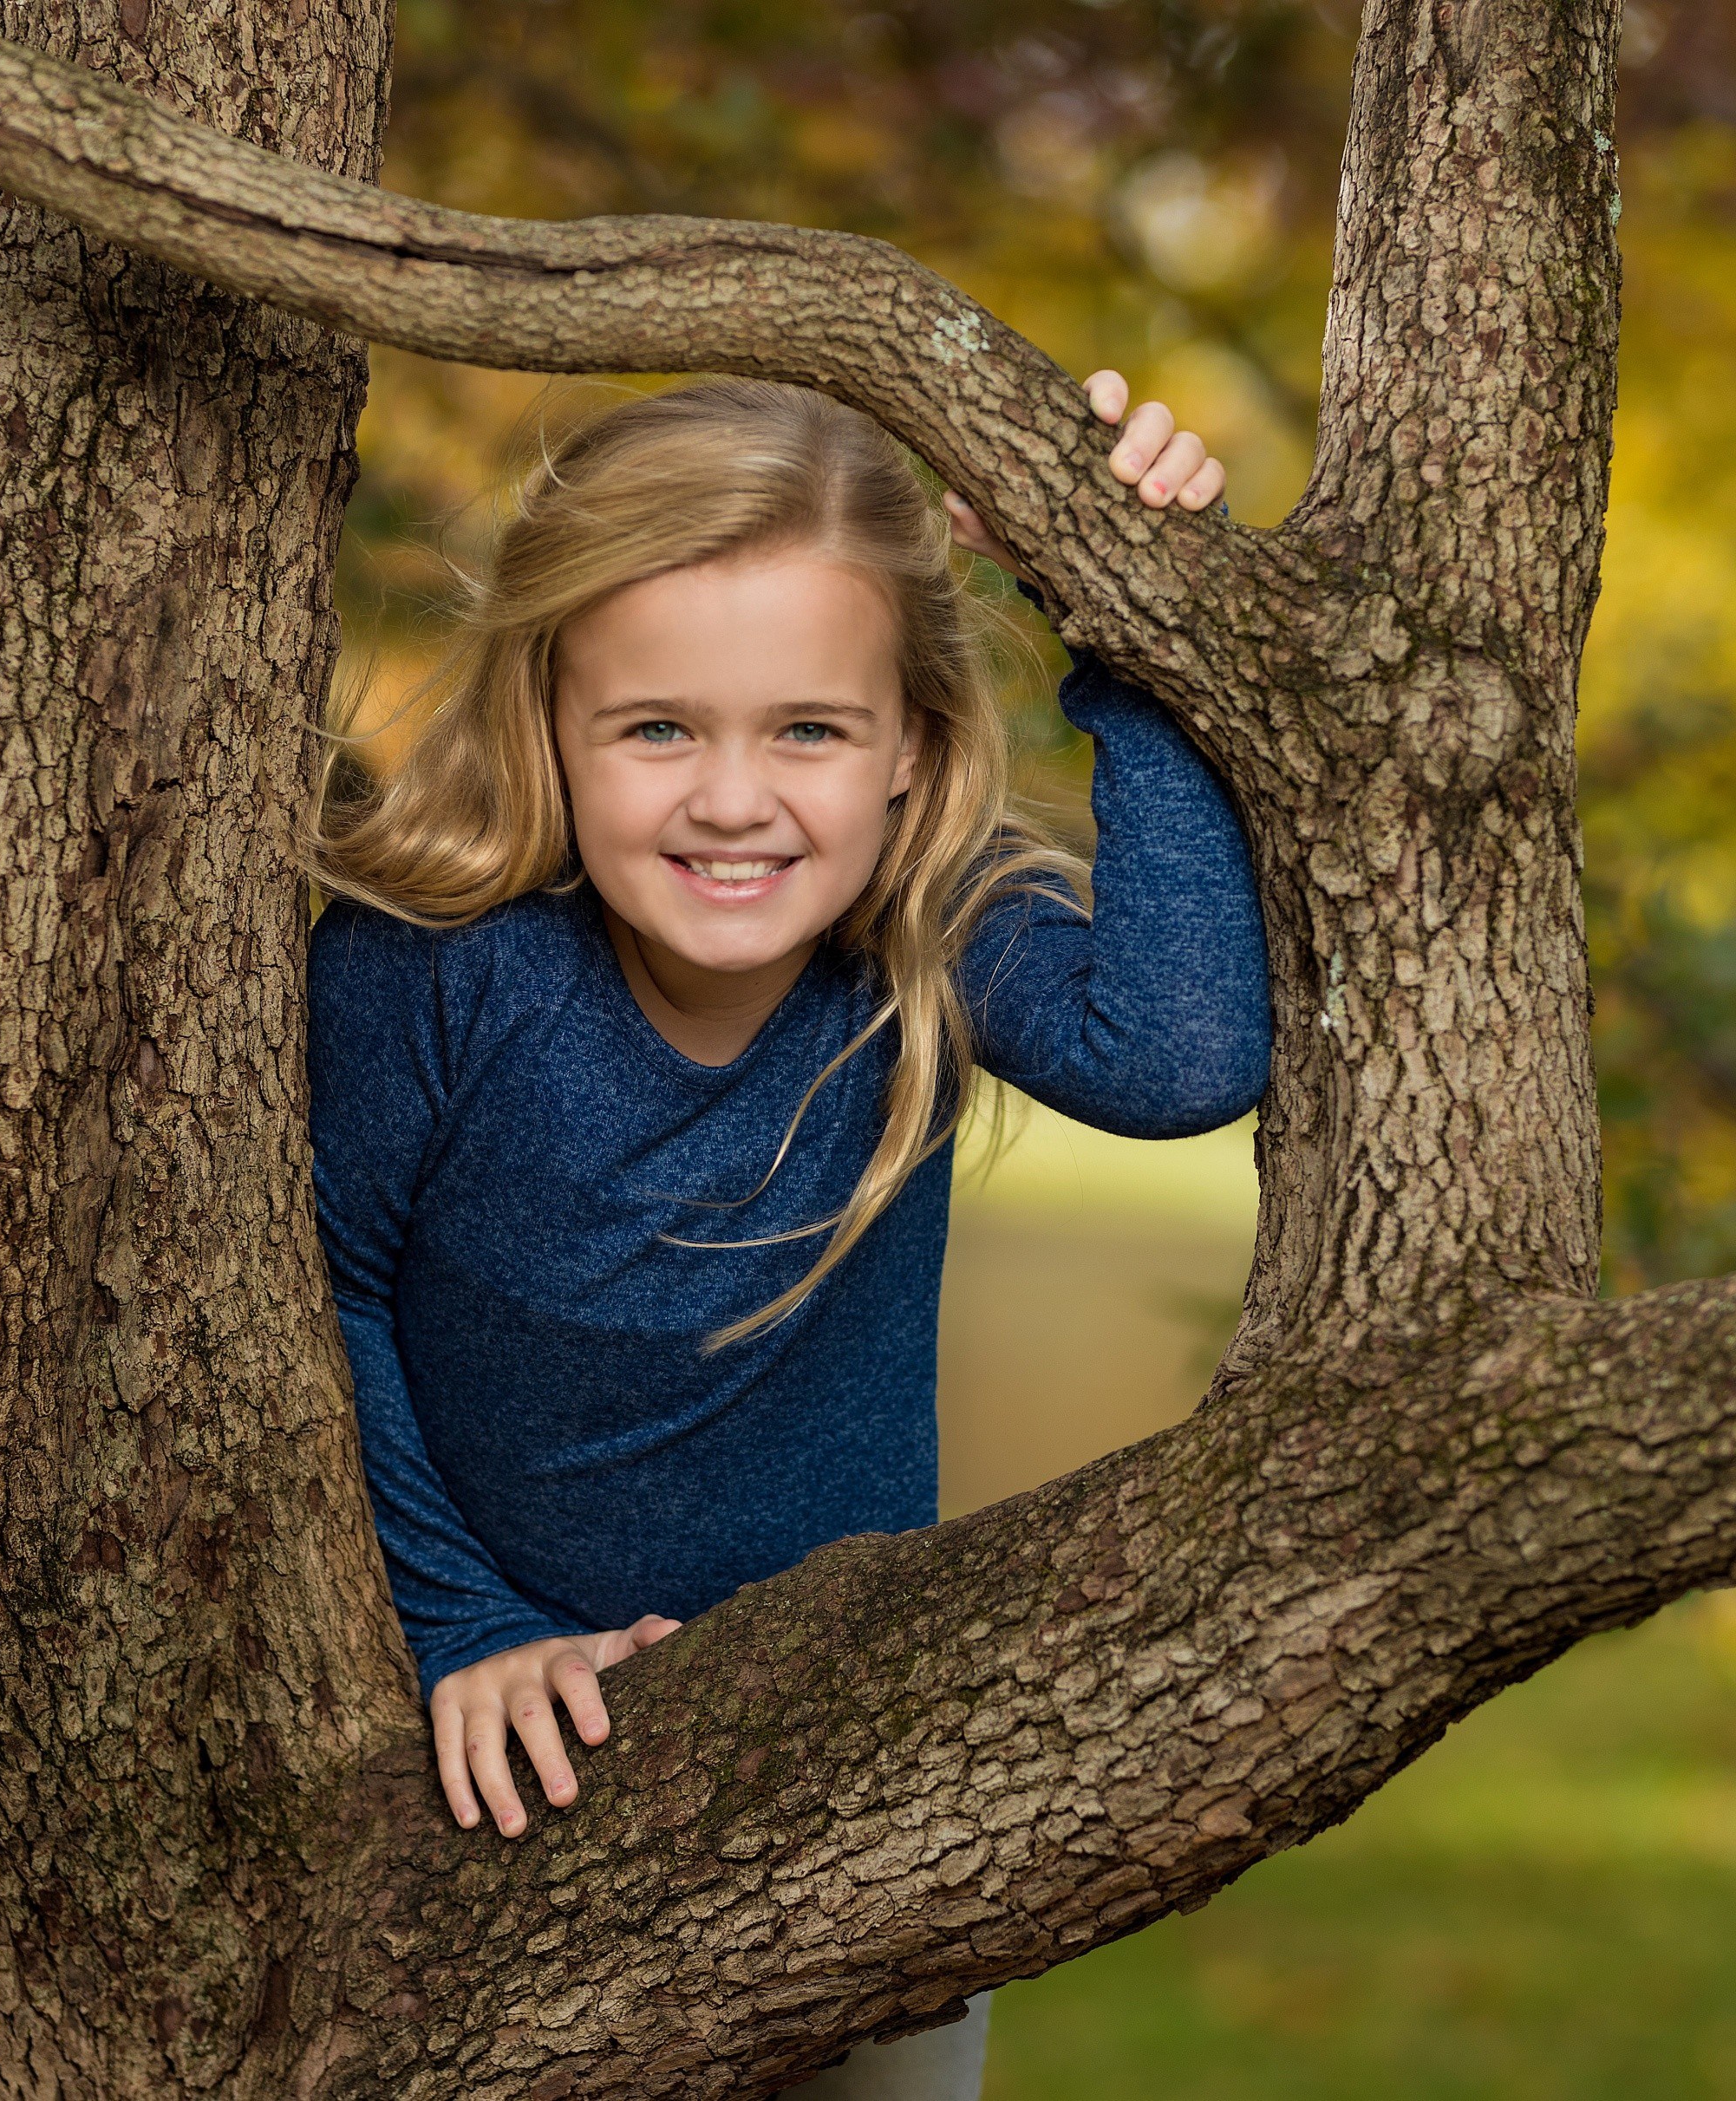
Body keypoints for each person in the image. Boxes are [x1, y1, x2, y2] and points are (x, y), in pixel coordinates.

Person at [303, 369, 1268, 2093]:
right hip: (497, 1758)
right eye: (659, 728)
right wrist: (470, 1627)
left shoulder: (926, 939)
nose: (733, 802)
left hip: (843, 1780)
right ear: (551, 723)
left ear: (909, 745)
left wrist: (1127, 612)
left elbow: (1184, 1056)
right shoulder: (435, 962)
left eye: (809, 730)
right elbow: (326, 1294)